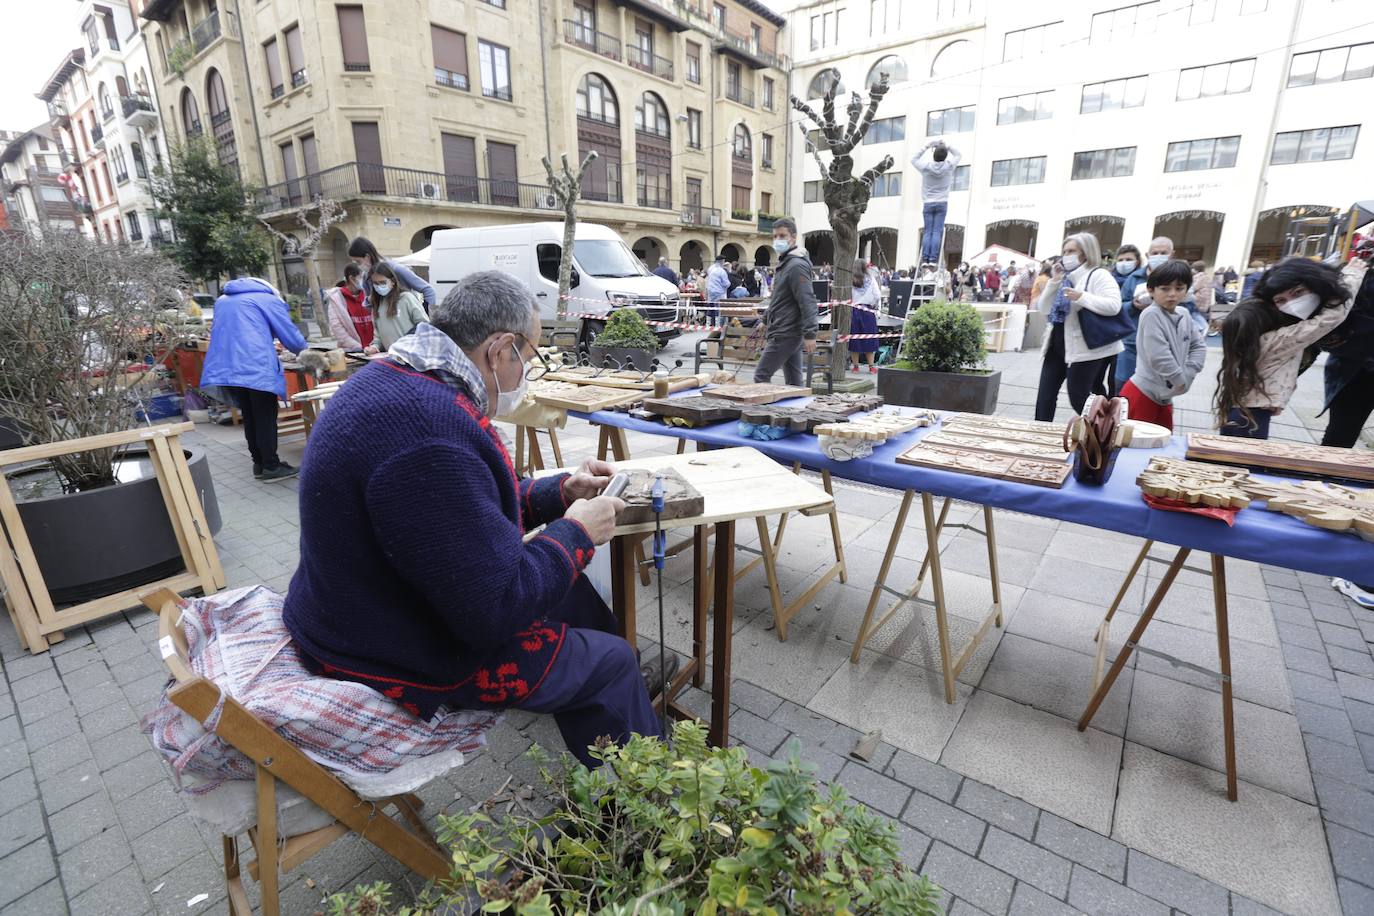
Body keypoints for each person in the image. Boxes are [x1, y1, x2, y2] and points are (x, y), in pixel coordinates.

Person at [282, 271, 662, 768]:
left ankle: (613, 700)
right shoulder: (429, 432)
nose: (528, 370)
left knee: (572, 593)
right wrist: (579, 532)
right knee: (607, 665)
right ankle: (641, 807)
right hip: (385, 646)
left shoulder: (399, 381)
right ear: (500, 349)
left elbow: (462, 516)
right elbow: (497, 608)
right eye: (529, 356)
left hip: (372, 604)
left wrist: (560, 492)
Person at [1214, 257, 1355, 438]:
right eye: (1280, 301)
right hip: (1251, 415)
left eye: (1298, 293)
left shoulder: (1254, 344)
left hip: (1244, 411)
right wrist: (1352, 276)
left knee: (1233, 457)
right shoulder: (1276, 340)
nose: (1289, 306)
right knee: (1246, 461)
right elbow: (1329, 319)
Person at [199, 278, 308, 481]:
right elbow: (291, 336)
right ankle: (271, 466)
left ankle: (259, 463)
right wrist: (307, 351)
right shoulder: (266, 300)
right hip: (255, 365)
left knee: (249, 415)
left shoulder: (223, 300)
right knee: (265, 415)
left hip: (229, 366)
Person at [1034, 232, 1124, 421]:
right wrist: (1054, 282)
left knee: (1079, 399)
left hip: (1085, 349)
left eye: (1072, 251)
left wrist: (1082, 297)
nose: (1067, 255)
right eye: (1065, 251)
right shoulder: (1063, 277)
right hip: (1056, 345)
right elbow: (1043, 308)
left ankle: (1102, 433)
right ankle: (1039, 434)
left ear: (1086, 252)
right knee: (1045, 397)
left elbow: (1114, 305)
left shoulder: (1099, 275)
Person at [1119, 260, 1206, 431]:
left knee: (1163, 444)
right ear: (1151, 290)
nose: (1172, 294)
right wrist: (1180, 380)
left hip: (1166, 395)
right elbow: (1159, 356)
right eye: (1165, 289)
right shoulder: (1151, 314)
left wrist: (1187, 374)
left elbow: (1199, 346)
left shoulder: (1184, 313)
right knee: (1136, 445)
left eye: (1179, 288)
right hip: (1143, 392)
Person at [1320, 244, 1374, 448]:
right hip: (1355, 368)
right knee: (1341, 434)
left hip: (1354, 365)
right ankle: (1323, 477)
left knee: (1341, 434)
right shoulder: (1361, 275)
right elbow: (1336, 320)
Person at [754, 217, 818, 386]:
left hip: (786, 331)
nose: (777, 240)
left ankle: (761, 413)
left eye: (782, 236)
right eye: (775, 236)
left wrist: (810, 333)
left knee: (761, 376)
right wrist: (765, 319)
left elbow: (808, 300)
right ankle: (797, 411)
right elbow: (778, 298)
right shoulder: (786, 264)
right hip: (786, 330)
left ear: (793, 237)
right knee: (794, 383)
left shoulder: (796, 266)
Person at [347, 237, 436, 310]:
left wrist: (427, 318)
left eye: (358, 262)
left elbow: (428, 290)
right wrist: (369, 301)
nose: (358, 266)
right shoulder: (366, 278)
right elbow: (370, 307)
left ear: (367, 257)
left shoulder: (396, 269)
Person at [911, 140, 961, 265]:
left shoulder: (926, 167)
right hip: (942, 202)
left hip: (928, 202)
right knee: (937, 231)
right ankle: (933, 259)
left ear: (934, 155)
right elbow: (958, 154)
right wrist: (947, 145)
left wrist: (927, 145)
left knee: (928, 231)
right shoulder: (949, 166)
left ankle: (925, 258)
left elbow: (913, 159)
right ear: (945, 156)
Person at [1110, 244, 1148, 396]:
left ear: (1137, 261)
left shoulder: (1141, 280)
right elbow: (1117, 306)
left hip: (1128, 337)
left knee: (1120, 380)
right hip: (1108, 335)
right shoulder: (1109, 278)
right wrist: (1132, 305)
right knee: (1108, 380)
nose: (1124, 263)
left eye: (1129, 259)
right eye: (1121, 259)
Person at [366, 263, 430, 353]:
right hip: (390, 356)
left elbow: (424, 325)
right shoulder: (377, 303)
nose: (379, 286)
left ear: (392, 281)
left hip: (411, 354)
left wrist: (408, 341)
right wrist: (374, 347)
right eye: (375, 283)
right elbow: (378, 337)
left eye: (383, 282)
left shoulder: (406, 298)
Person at [323, 263, 373, 351]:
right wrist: (359, 348)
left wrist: (375, 346)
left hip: (375, 349)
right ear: (352, 279)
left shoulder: (369, 295)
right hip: (353, 351)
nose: (366, 281)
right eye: (362, 277)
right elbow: (337, 328)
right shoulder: (336, 299)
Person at [848, 261, 880, 374]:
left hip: (854, 310)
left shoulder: (850, 279)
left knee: (854, 338)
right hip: (868, 311)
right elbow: (877, 295)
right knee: (869, 338)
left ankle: (855, 366)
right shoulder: (871, 279)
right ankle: (871, 367)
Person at [704, 254, 730, 330]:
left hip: (710, 291)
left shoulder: (710, 269)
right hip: (719, 292)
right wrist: (728, 284)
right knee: (718, 309)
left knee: (710, 307)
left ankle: (708, 324)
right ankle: (717, 325)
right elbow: (726, 283)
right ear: (722, 261)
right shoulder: (722, 271)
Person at [1190, 261, 1214, 332]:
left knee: (1196, 321)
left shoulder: (1198, 277)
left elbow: (1193, 288)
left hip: (1198, 302)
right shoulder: (1207, 277)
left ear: (1195, 269)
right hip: (1206, 303)